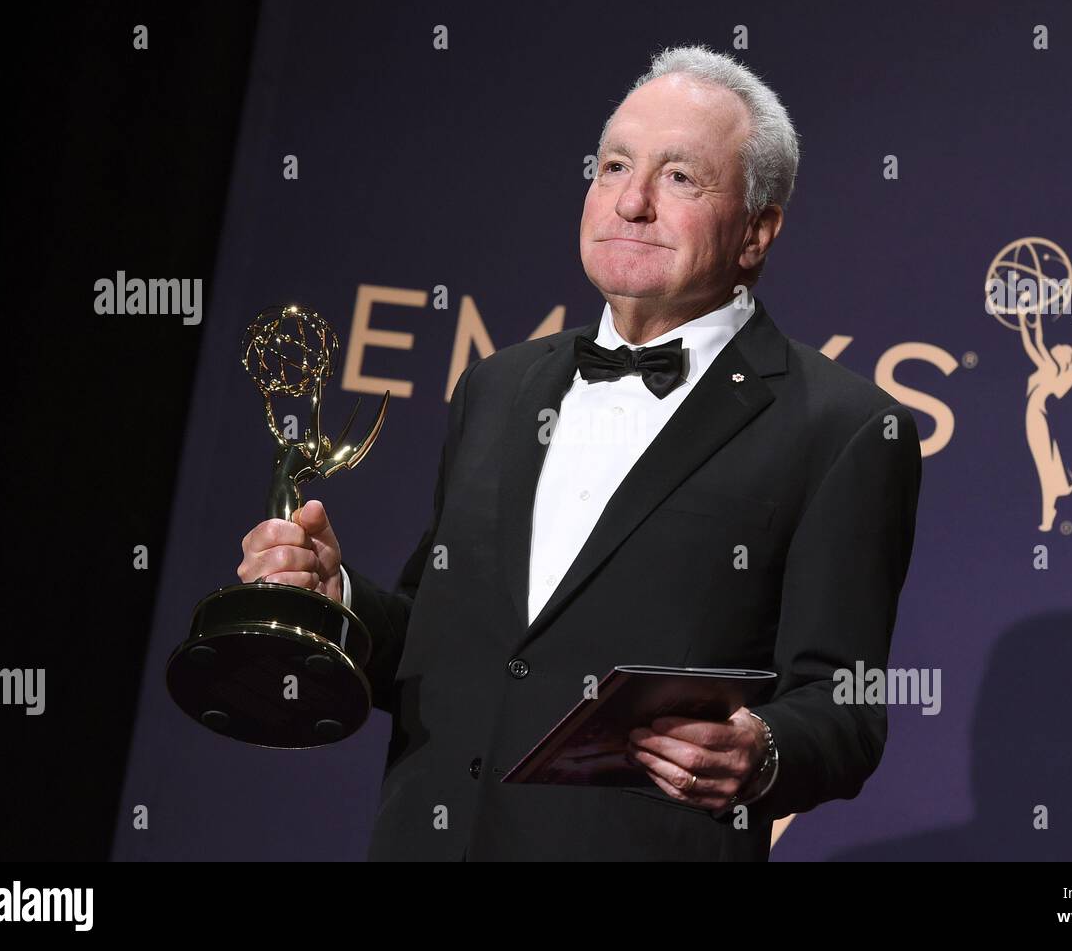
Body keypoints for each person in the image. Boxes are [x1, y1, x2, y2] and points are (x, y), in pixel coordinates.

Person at [237, 45, 922, 861]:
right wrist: (334, 594)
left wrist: (764, 750)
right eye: (613, 166)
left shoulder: (842, 428)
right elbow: (438, 647)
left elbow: (845, 705)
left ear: (756, 230)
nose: (631, 201)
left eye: (678, 178)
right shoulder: (497, 387)